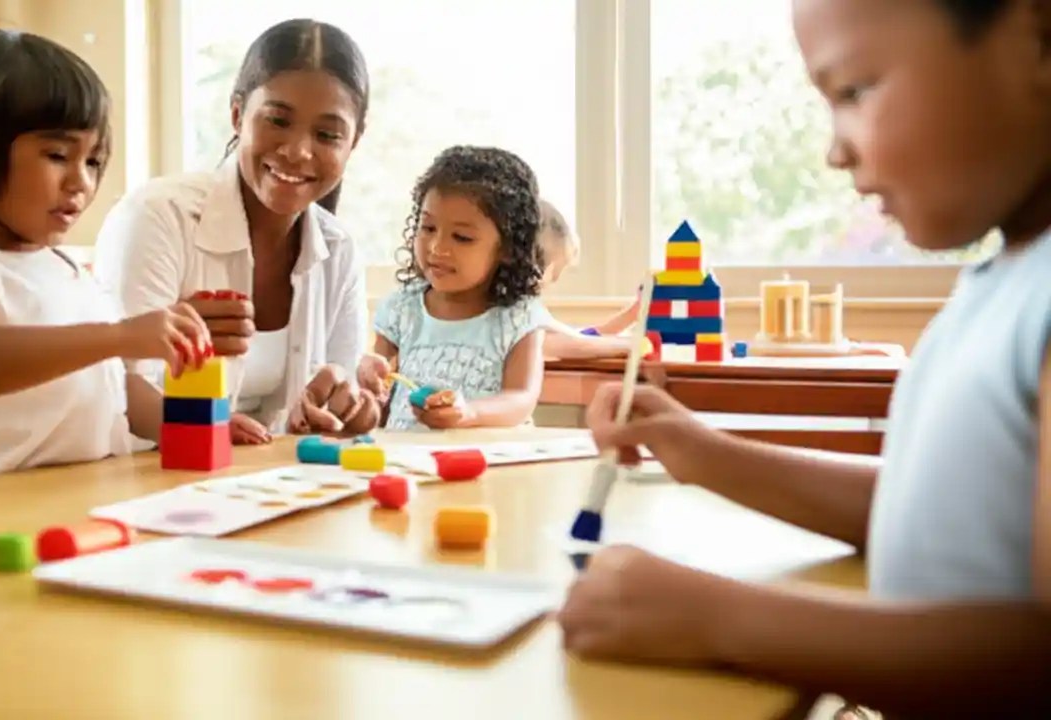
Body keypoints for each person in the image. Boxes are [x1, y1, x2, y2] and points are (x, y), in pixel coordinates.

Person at [558, 0, 1051, 716]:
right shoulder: (999, 283)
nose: (834, 150)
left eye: (853, 90)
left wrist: (716, 619)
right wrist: (700, 448)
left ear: (1037, 35)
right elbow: (936, 509)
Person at [0, 29, 209, 481]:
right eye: (58, 155)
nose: (81, 182)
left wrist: (189, 424)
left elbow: (109, 384)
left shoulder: (68, 269)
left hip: (85, 490)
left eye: (93, 162)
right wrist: (119, 336)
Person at [94, 19, 382, 443]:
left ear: (353, 141)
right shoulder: (157, 216)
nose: (299, 150)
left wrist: (351, 409)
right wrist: (204, 423)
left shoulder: (338, 249)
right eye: (278, 121)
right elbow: (110, 385)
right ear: (237, 114)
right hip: (149, 481)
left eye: (326, 134)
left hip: (267, 489)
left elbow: (340, 396)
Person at [362, 145, 546, 431]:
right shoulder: (401, 311)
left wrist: (469, 414)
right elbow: (375, 408)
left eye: (461, 237)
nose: (437, 248)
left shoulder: (518, 318)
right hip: (407, 462)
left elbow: (521, 398)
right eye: (428, 228)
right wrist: (365, 384)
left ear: (508, 248)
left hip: (487, 464)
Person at [535, 198, 641, 360]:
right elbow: (568, 344)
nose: (553, 282)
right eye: (553, 273)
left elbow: (577, 338)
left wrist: (631, 315)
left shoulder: (527, 312)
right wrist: (630, 345)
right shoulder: (515, 315)